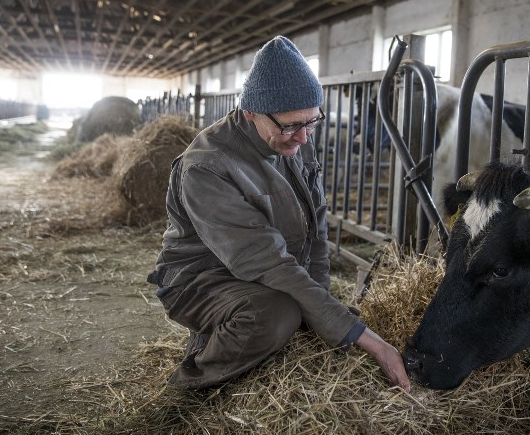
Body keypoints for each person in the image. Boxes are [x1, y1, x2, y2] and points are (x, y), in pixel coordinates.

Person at [147, 35, 410, 392]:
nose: (303, 138)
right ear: (251, 111)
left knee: (312, 313)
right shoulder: (207, 166)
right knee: (273, 315)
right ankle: (187, 387)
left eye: (312, 122)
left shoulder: (294, 139)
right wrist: (365, 339)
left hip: (265, 269)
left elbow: (316, 228)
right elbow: (265, 260)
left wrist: (323, 315)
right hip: (200, 278)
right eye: (290, 126)